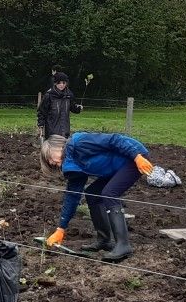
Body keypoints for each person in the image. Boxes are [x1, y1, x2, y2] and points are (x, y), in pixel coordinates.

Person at [40, 132, 157, 262]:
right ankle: (104, 240)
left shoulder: (80, 142)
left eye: (49, 157)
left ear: (57, 147)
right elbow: (72, 197)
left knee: (109, 193)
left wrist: (136, 157)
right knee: (92, 194)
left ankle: (123, 245)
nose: (51, 162)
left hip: (132, 158)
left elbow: (114, 140)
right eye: (49, 162)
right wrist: (60, 229)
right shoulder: (73, 165)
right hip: (116, 167)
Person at [37, 71, 80, 140]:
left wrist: (78, 108)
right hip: (52, 129)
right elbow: (42, 111)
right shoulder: (49, 95)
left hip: (65, 129)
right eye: (59, 83)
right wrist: (41, 123)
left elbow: (72, 107)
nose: (61, 85)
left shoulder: (69, 95)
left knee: (64, 147)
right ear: (55, 83)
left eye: (64, 83)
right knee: (53, 148)